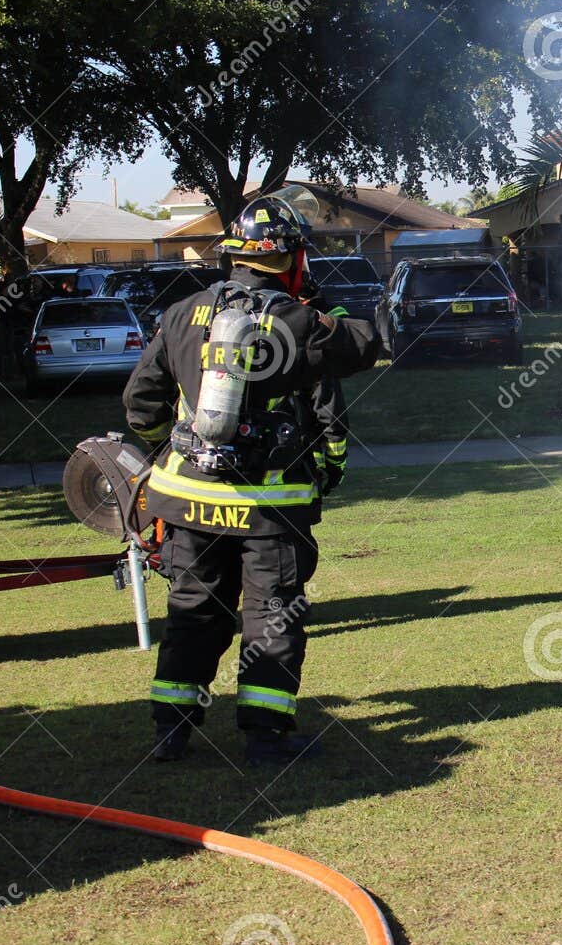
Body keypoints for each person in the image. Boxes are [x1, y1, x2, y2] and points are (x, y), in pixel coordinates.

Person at [123, 195, 380, 763]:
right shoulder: (297, 320)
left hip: (189, 500)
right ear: (290, 259)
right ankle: (266, 738)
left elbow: (141, 406)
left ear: (233, 257)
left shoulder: (181, 313)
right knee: (271, 614)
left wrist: (179, 443)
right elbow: (366, 345)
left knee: (194, 609)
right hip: (268, 506)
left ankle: (171, 730)